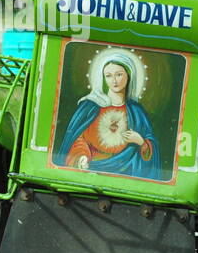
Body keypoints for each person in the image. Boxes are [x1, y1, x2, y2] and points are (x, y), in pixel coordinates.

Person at [53, 48, 160, 180]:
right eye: (108, 75)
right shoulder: (90, 107)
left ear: (129, 75)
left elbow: (152, 151)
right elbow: (78, 139)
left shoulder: (136, 112)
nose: (114, 80)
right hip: (91, 172)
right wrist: (81, 157)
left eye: (119, 74)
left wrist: (141, 142)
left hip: (125, 176)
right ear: (103, 78)